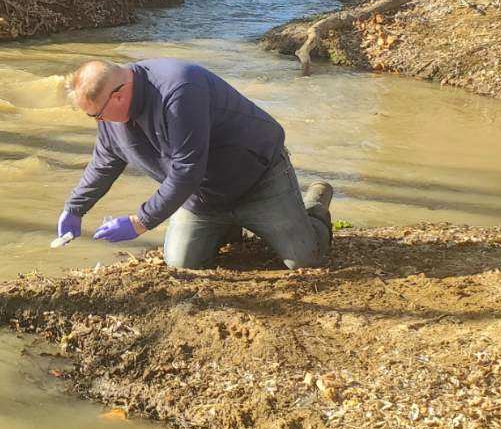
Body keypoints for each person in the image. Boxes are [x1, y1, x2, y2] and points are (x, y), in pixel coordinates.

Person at [56, 58, 333, 270]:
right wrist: (75, 208)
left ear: (118, 96)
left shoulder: (179, 89)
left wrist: (140, 221)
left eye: (97, 115)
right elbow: (105, 161)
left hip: (257, 179)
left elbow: (187, 168)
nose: (98, 121)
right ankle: (226, 227)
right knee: (181, 263)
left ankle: (314, 204)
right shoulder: (112, 118)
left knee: (304, 261)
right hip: (202, 196)